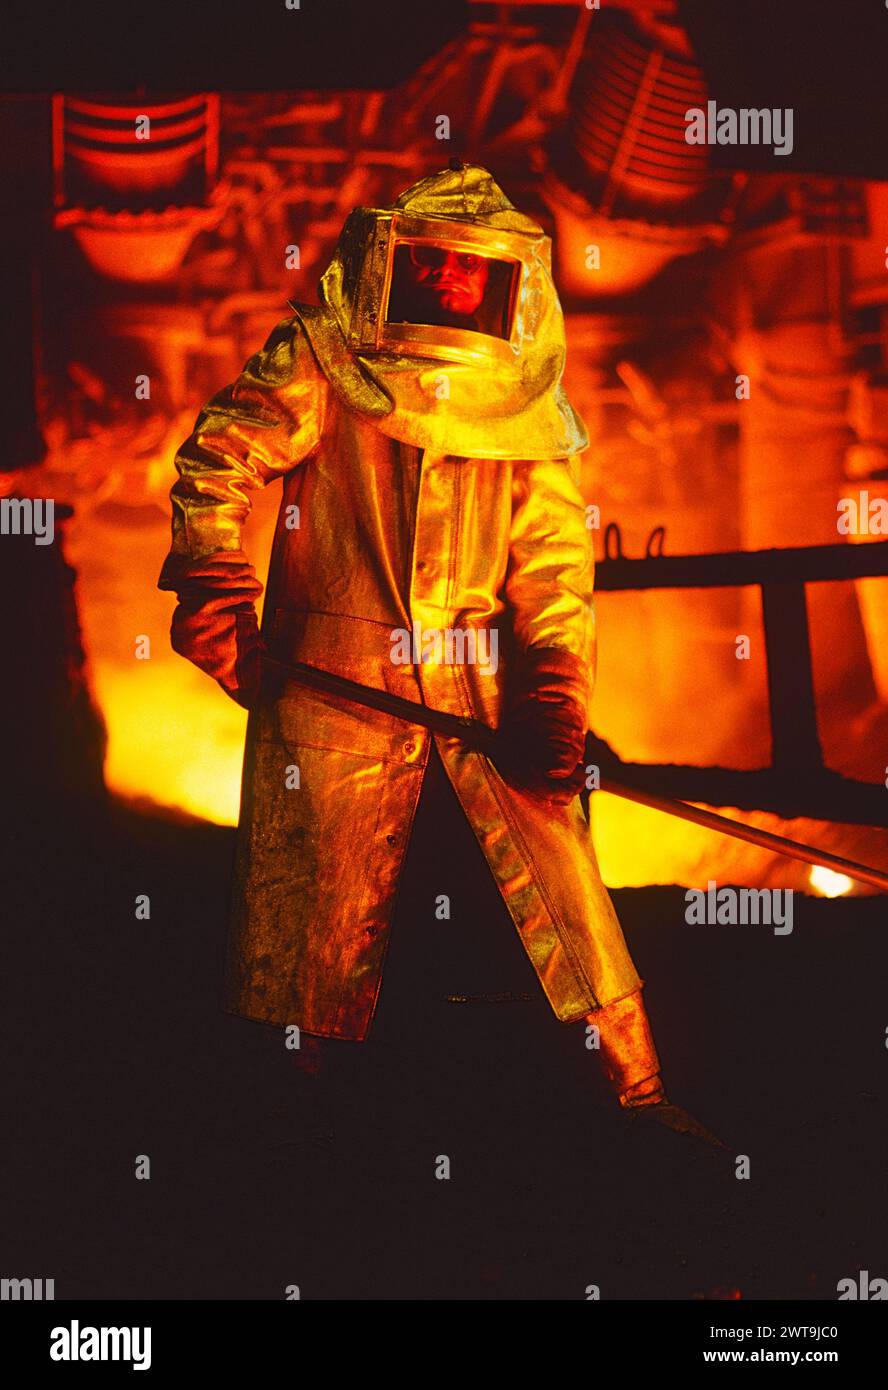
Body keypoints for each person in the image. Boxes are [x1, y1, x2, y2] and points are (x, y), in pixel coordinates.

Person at [157, 161, 719, 1145]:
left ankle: (628, 1099)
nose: (456, 298)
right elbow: (219, 457)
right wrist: (214, 585)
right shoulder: (324, 360)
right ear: (395, 267)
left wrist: (552, 692)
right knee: (308, 938)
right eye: (439, 276)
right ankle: (289, 1132)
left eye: (473, 281)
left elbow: (552, 565)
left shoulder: (526, 403)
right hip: (336, 707)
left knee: (558, 907)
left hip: (481, 708)